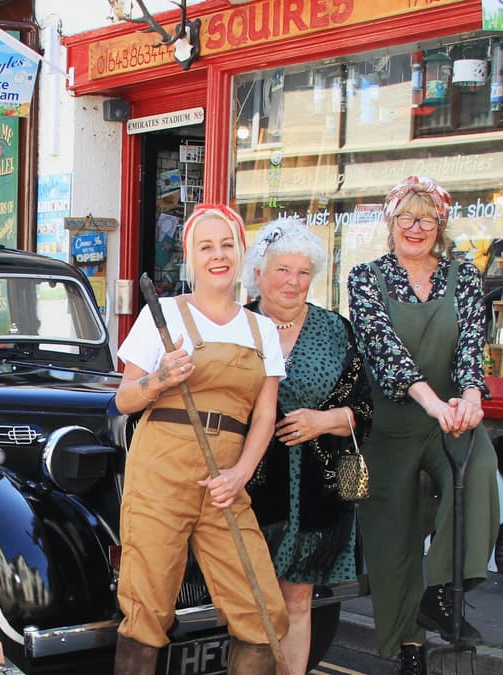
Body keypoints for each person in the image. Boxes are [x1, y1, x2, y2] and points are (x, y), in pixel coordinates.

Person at [113, 204, 288, 674]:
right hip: (160, 475)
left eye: (227, 244)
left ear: (241, 252)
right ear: (190, 257)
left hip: (226, 480)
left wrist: (240, 475)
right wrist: (160, 379)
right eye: (205, 246)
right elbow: (125, 400)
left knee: (262, 613)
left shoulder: (262, 329)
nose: (218, 255)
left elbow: (265, 417)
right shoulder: (162, 315)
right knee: (146, 611)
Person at [347, 176, 499, 675]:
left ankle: (443, 591)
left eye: (427, 218)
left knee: (478, 466)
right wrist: (432, 402)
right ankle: (407, 648)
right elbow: (384, 352)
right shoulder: (367, 278)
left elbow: (472, 346)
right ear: (390, 223)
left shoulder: (464, 277)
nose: (416, 227)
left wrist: (472, 394)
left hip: (448, 416)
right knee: (394, 540)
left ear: (441, 225)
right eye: (406, 217)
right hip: (390, 420)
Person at [243, 218, 373, 674]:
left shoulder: (334, 329)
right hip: (251, 488)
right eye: (282, 270)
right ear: (259, 272)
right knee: (248, 600)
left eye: (303, 272)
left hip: (317, 494)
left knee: (297, 599)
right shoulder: (236, 325)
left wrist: (325, 420)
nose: (293, 282)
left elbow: (365, 408)